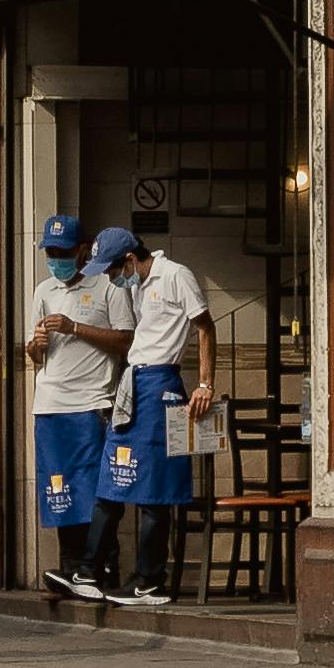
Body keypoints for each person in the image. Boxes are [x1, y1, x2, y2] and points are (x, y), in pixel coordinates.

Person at [93, 225, 214, 612]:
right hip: (137, 380)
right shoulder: (138, 287)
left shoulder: (176, 275)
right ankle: (103, 571)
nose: (113, 278)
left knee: (154, 487)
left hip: (162, 382)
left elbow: (205, 326)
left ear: (129, 259)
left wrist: (206, 385)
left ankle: (150, 579)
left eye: (113, 270)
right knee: (120, 475)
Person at [23, 209, 129, 607]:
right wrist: (35, 346)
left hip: (92, 402)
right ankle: (69, 568)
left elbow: (124, 342)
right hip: (50, 404)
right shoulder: (43, 290)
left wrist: (74, 327)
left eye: (62, 251)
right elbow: (34, 355)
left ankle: (101, 567)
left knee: (94, 489)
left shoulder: (108, 287)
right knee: (59, 487)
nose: (55, 259)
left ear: (83, 250)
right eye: (49, 251)